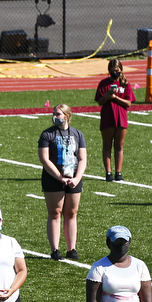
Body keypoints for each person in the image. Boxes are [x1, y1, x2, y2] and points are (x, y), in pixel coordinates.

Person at [38, 103, 87, 261]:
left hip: (73, 178)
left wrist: (76, 178)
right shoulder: (47, 135)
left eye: (58, 114)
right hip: (53, 179)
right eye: (54, 113)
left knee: (71, 213)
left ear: (67, 116)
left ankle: (71, 249)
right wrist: (60, 177)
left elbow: (82, 159)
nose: (54, 116)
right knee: (55, 213)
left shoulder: (77, 134)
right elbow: (44, 159)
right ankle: (55, 250)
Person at [95, 58, 136, 182]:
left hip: (121, 118)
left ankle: (118, 173)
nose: (115, 72)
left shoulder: (125, 84)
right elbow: (99, 101)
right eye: (113, 70)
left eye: (117, 70)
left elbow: (128, 103)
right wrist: (107, 96)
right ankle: (108, 173)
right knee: (107, 144)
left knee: (119, 145)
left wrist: (115, 97)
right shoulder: (103, 83)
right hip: (108, 117)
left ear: (121, 70)